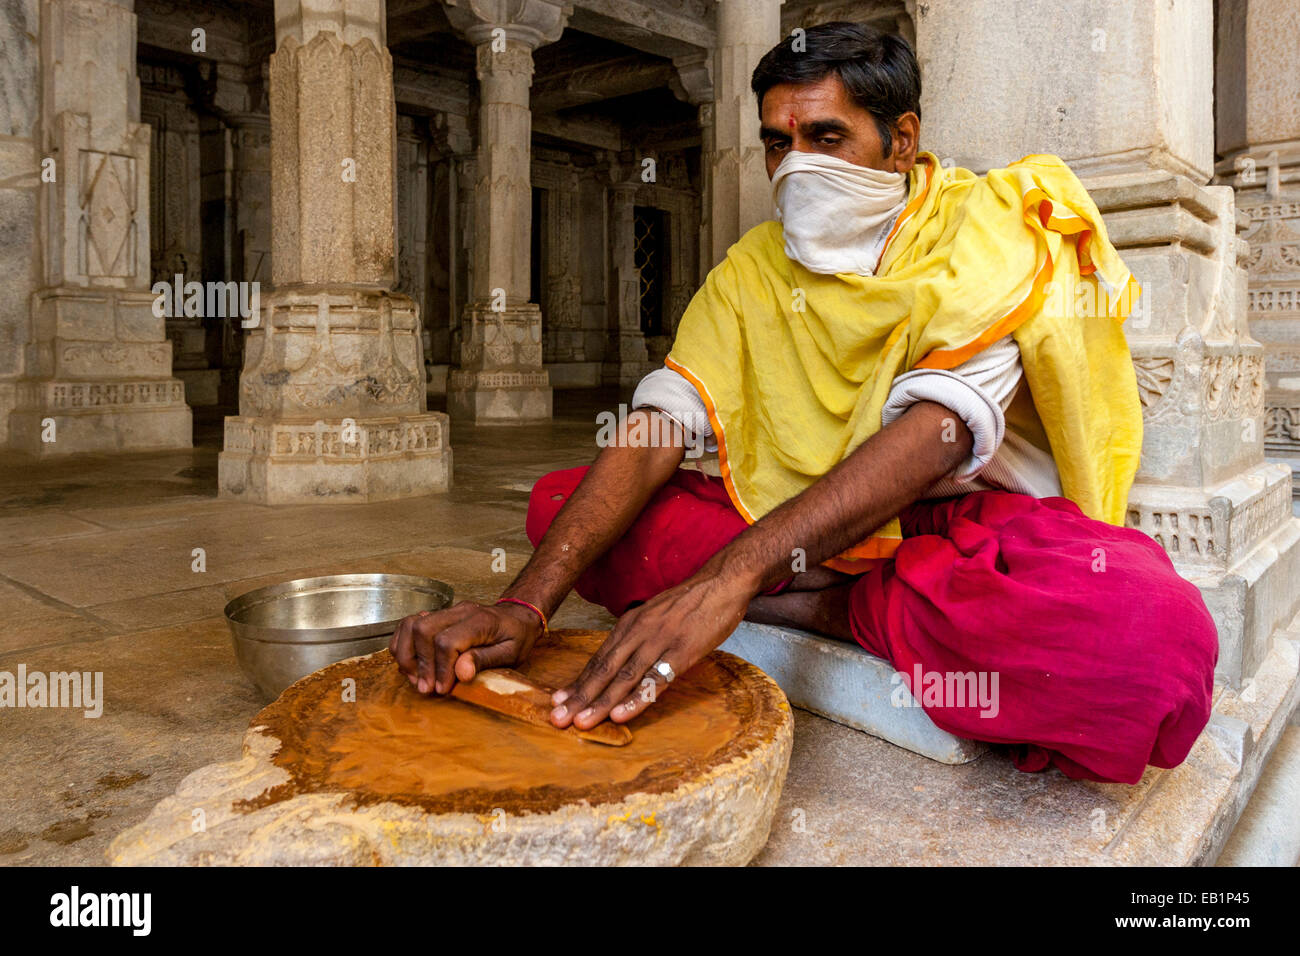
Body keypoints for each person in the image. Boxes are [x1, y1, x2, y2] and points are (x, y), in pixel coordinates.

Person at [390, 21, 1218, 785]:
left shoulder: (984, 227)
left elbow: (936, 434)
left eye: (826, 137)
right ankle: (862, 603)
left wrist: (728, 581)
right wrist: (526, 603)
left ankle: (831, 606)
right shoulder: (753, 267)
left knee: (1152, 640)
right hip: (794, 519)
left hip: (954, 524)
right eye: (777, 143)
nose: (797, 165)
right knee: (561, 506)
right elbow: (655, 429)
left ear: (901, 141)